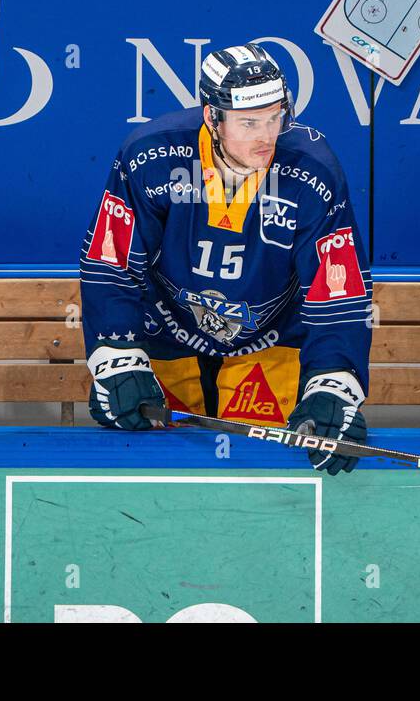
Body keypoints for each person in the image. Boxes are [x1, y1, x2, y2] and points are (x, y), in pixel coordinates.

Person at [80, 45, 372, 474]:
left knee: (269, 484)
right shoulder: (151, 155)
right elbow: (113, 262)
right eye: (249, 122)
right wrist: (116, 357)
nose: (266, 136)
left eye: (276, 117)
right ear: (212, 118)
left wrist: (334, 383)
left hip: (271, 341)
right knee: (157, 481)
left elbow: (337, 287)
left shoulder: (313, 170)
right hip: (166, 336)